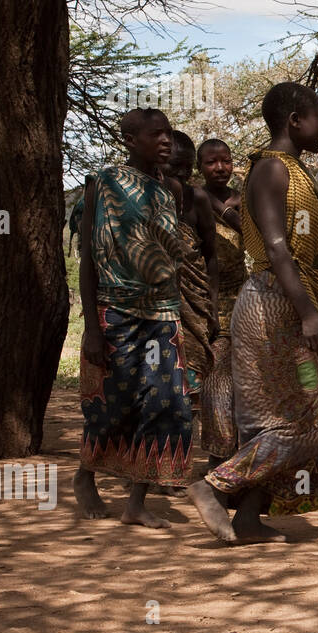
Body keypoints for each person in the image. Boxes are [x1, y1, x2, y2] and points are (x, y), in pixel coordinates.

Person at [185, 82, 318, 544]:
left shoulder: (293, 171)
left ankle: (249, 517)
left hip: (291, 300)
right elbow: (276, 248)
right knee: (313, 418)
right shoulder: (272, 170)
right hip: (277, 306)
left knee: (278, 417)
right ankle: (214, 485)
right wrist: (308, 315)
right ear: (295, 120)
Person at [72, 108, 193, 528]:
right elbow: (89, 258)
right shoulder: (102, 184)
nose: (166, 142)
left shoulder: (169, 190)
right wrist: (90, 326)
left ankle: (136, 502)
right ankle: (85, 476)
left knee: (164, 403)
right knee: (112, 404)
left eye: (169, 135)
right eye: (156, 134)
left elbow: (170, 258)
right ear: (129, 138)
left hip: (162, 311)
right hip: (114, 309)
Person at [197, 138, 248, 469]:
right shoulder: (190, 200)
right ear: (199, 167)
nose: (220, 168)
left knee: (238, 385)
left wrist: (223, 209)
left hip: (239, 300)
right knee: (213, 385)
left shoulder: (244, 201)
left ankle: (230, 461)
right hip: (200, 300)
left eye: (226, 161)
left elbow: (252, 235)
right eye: (211, 162)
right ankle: (217, 460)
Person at [165, 130, 219, 403]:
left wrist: (213, 305)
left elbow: (210, 255)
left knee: (194, 377)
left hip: (195, 300)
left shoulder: (198, 198)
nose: (183, 172)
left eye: (188, 166)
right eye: (176, 166)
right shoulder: (149, 197)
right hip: (161, 303)